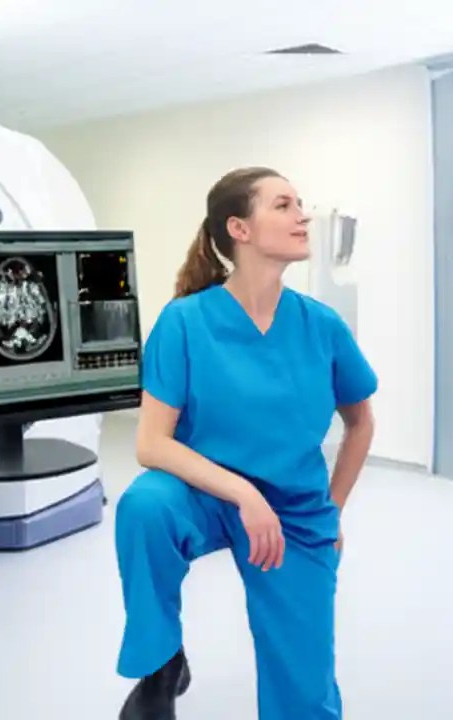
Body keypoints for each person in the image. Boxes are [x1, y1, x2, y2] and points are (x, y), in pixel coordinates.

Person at [114, 166, 377, 720]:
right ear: (240, 228)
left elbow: (361, 423)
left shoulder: (321, 325)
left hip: (294, 510)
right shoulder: (185, 321)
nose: (302, 215)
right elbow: (152, 445)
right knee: (144, 505)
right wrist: (242, 494)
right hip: (204, 496)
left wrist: (331, 511)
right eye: (283, 205)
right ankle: (160, 664)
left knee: (305, 699)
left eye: (300, 203)